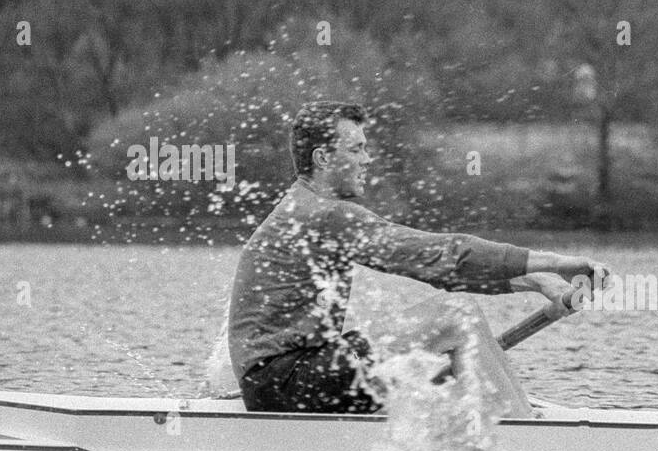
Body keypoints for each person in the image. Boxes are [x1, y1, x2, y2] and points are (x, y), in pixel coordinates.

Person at [228, 101, 606, 414]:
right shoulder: (322, 215)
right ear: (323, 157)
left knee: (456, 320)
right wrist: (550, 262)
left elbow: (441, 265)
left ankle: (515, 413)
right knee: (456, 315)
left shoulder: (308, 208)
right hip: (283, 384)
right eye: (357, 149)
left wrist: (530, 280)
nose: (368, 159)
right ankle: (520, 435)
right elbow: (438, 256)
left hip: (292, 376)